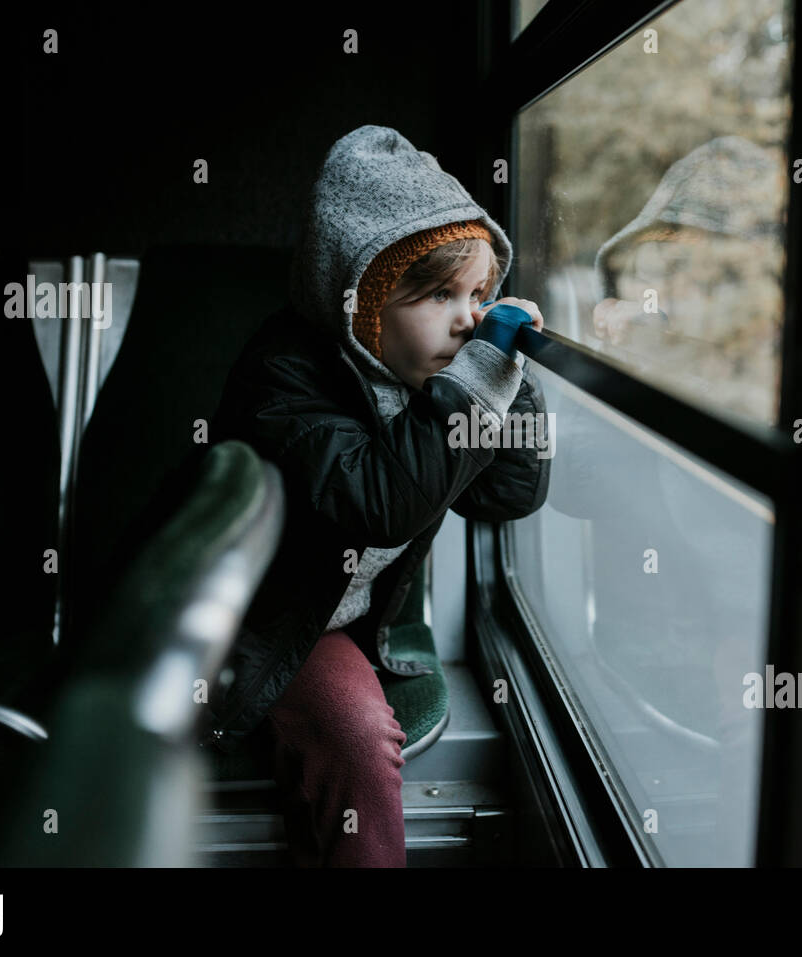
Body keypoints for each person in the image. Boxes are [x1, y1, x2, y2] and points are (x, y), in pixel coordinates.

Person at [201, 124, 552, 867]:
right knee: (357, 735)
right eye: (439, 296)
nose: (467, 321)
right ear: (362, 305)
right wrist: (478, 381)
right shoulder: (284, 381)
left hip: (333, 614)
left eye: (480, 296)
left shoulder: (422, 378)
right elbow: (379, 502)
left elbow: (507, 494)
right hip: (252, 617)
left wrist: (511, 383)